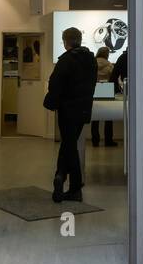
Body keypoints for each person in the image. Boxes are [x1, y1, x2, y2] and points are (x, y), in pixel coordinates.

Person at [43, 27, 97, 203]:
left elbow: (55, 84)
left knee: (69, 144)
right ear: (79, 39)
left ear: (66, 41)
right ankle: (63, 179)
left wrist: (50, 102)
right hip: (83, 109)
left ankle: (71, 185)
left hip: (67, 110)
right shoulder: (90, 59)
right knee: (69, 143)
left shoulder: (65, 60)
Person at [90, 47, 118, 147]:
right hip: (107, 91)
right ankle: (108, 140)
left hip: (95, 91)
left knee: (95, 116)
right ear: (107, 55)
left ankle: (95, 140)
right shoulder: (109, 65)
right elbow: (113, 77)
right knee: (108, 116)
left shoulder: (92, 63)